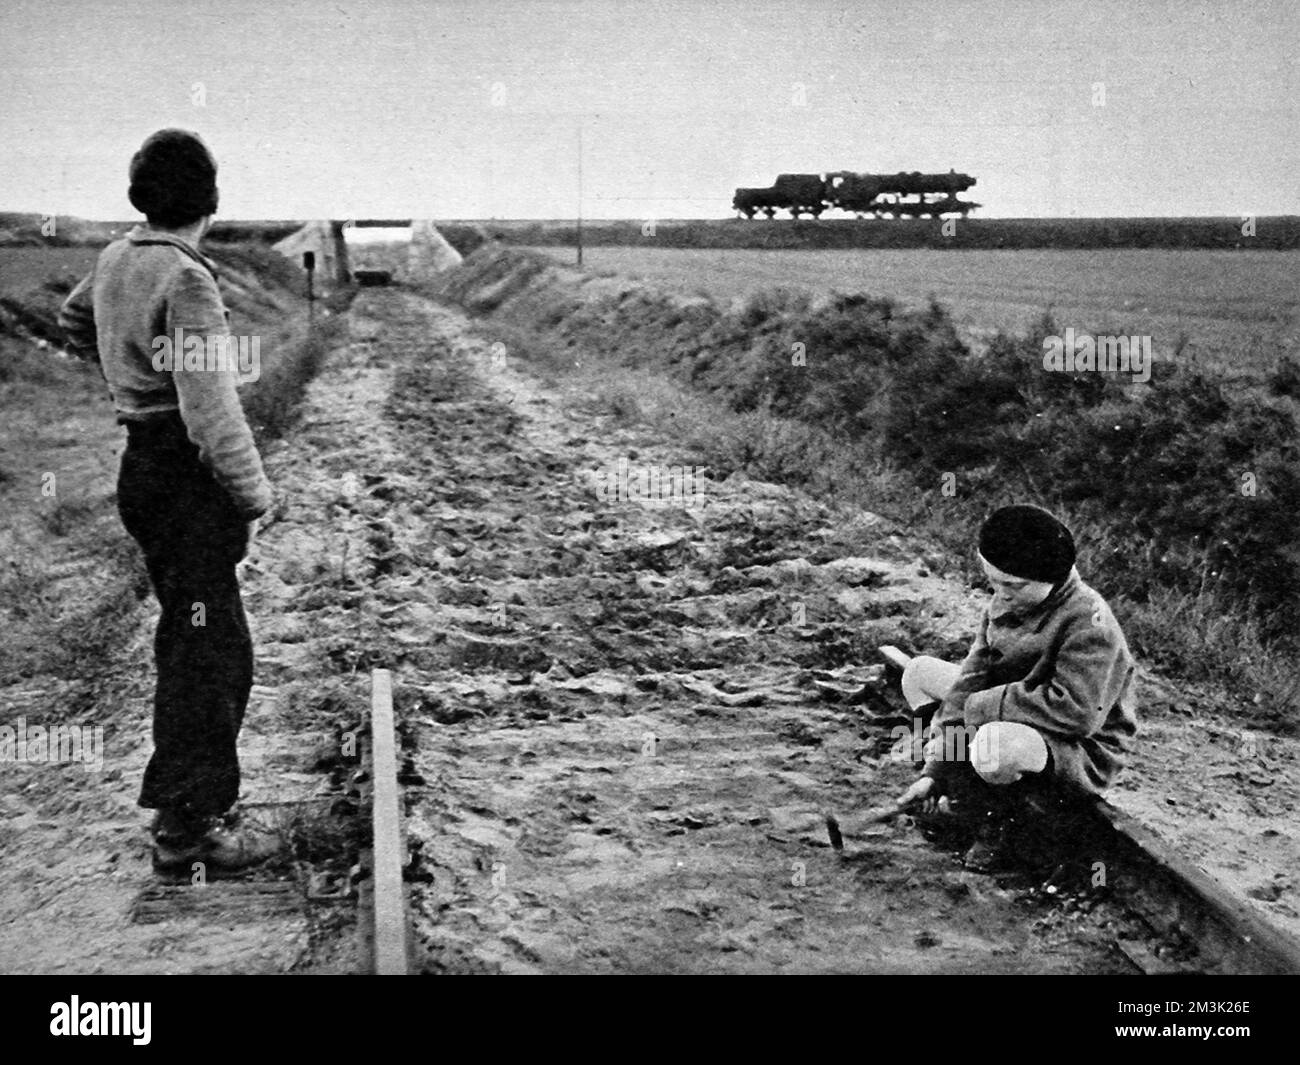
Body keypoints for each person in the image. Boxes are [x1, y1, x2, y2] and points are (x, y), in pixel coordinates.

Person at [58, 129, 278, 873]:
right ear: (209, 200)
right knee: (213, 653)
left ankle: (189, 805)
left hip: (141, 469)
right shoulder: (186, 279)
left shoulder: (117, 258)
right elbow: (212, 411)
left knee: (191, 638)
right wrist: (255, 495)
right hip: (184, 480)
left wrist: (128, 383)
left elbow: (70, 318)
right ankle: (189, 827)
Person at [893, 504, 1137, 870]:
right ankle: (959, 787)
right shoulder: (1007, 599)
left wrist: (985, 705)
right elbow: (968, 683)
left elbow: (1077, 713)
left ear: (1051, 577)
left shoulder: (1089, 623)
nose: (1000, 594)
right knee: (919, 673)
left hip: (1078, 745)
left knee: (993, 744)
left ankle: (1001, 826)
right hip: (1015, 712)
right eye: (994, 581)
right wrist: (937, 770)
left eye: (1013, 585)